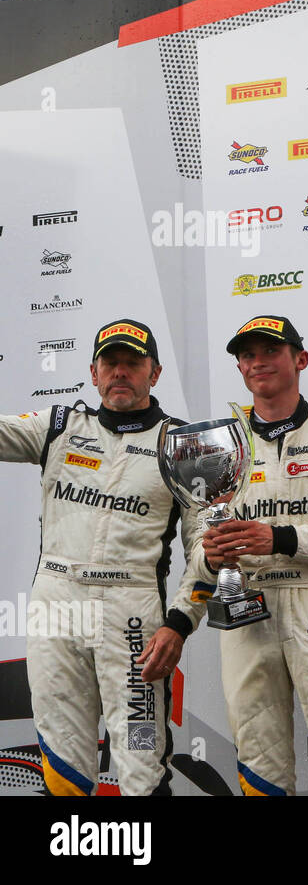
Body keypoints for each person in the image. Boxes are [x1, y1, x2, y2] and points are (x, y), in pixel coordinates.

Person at [161, 315, 308, 795]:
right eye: (247, 354)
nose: (257, 361)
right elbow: (198, 560)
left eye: (270, 351)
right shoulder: (213, 446)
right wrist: (210, 556)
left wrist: (279, 538)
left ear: (300, 359)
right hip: (243, 613)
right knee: (260, 765)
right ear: (240, 368)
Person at [0, 319, 202, 795]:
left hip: (132, 615)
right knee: (62, 758)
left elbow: (207, 548)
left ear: (155, 372)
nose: (121, 372)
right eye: (111, 362)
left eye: (134, 363)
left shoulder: (185, 445)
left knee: (141, 762)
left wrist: (181, 621)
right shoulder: (58, 427)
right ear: (93, 372)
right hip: (57, 603)